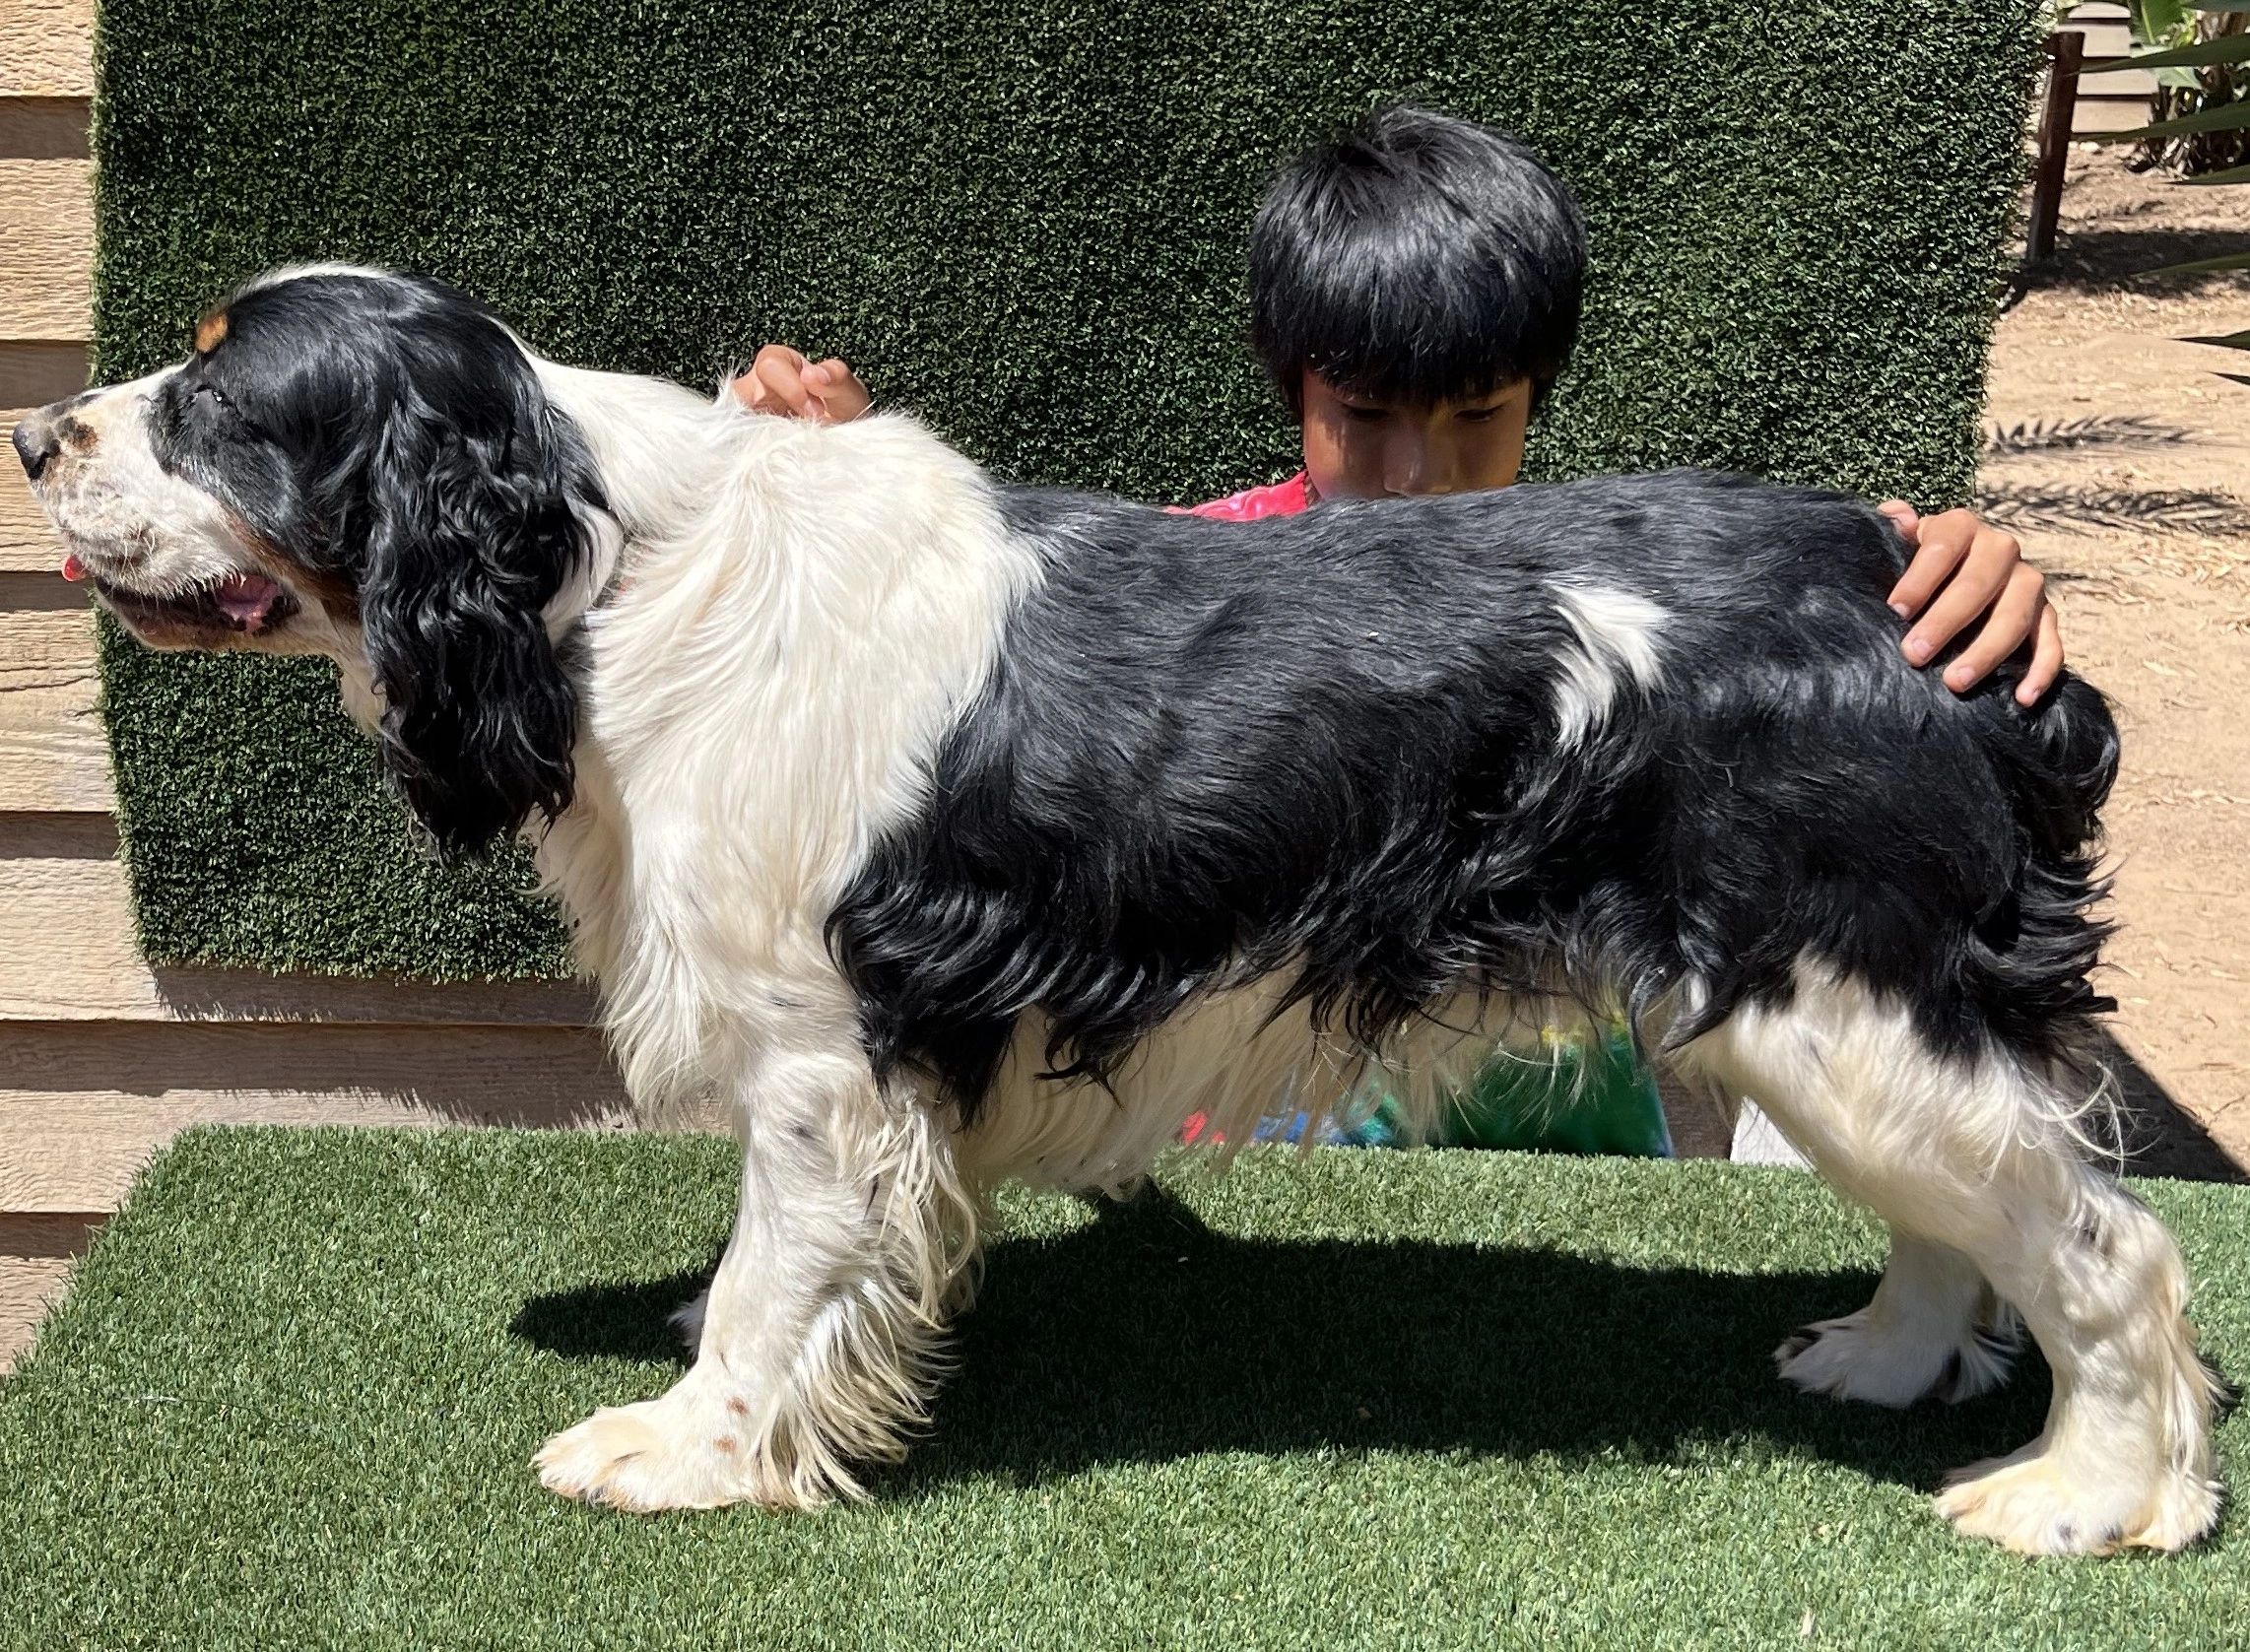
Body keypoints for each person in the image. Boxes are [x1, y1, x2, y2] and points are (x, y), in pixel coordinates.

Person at [730, 104, 2065, 1156]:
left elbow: (1796, 646)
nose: (1416, 475)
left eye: (1476, 415)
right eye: (1365, 415)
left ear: (1540, 393)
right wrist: (850, 491)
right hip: (1231, 1193)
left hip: (1557, 1199)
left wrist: (1921, 589)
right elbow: (1005, 662)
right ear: (1289, 380)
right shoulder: (1185, 605)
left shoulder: (1607, 623)